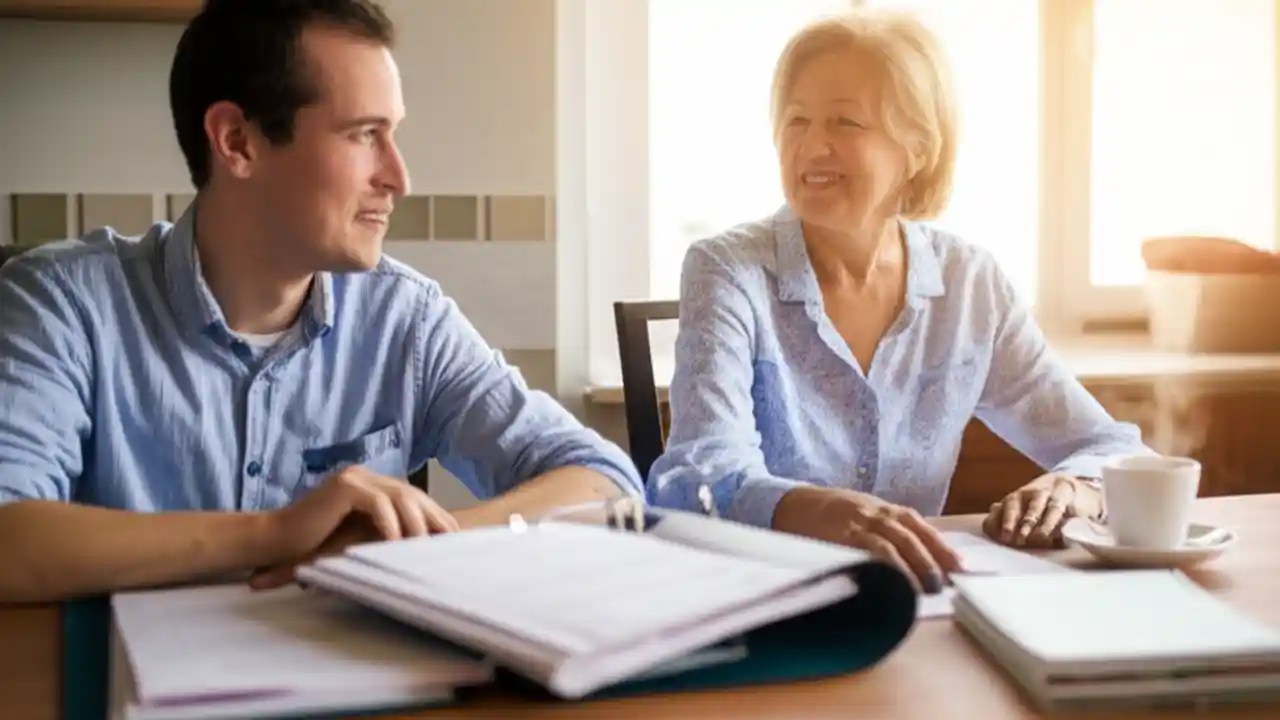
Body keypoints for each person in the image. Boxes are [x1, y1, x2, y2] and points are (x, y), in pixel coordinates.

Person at [0, 0, 641, 603]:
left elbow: (602, 478)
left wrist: (408, 542)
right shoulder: (61, 306)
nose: (398, 177)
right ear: (237, 142)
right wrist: (277, 534)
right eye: (364, 134)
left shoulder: (406, 321)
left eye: (392, 134)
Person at [647, 9, 1150, 594]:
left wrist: (1077, 487)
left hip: (921, 605)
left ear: (918, 149)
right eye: (797, 120)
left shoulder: (970, 283)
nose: (812, 145)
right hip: (761, 601)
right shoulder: (727, 269)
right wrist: (823, 511)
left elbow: (1113, 446)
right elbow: (698, 476)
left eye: (845, 123)